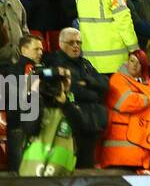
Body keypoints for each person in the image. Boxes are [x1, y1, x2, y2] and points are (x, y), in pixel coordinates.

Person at [43, 27, 108, 169]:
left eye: (78, 42)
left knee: (86, 166)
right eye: (71, 42)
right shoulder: (56, 64)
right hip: (70, 120)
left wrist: (88, 82)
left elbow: (105, 83)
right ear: (61, 44)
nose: (76, 46)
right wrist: (92, 92)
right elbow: (75, 90)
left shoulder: (85, 63)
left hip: (90, 121)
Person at [101, 49, 150, 170]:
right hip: (119, 149)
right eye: (132, 61)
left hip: (141, 145)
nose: (134, 65)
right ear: (127, 61)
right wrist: (146, 99)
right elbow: (126, 102)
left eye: (139, 63)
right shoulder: (117, 79)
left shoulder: (148, 83)